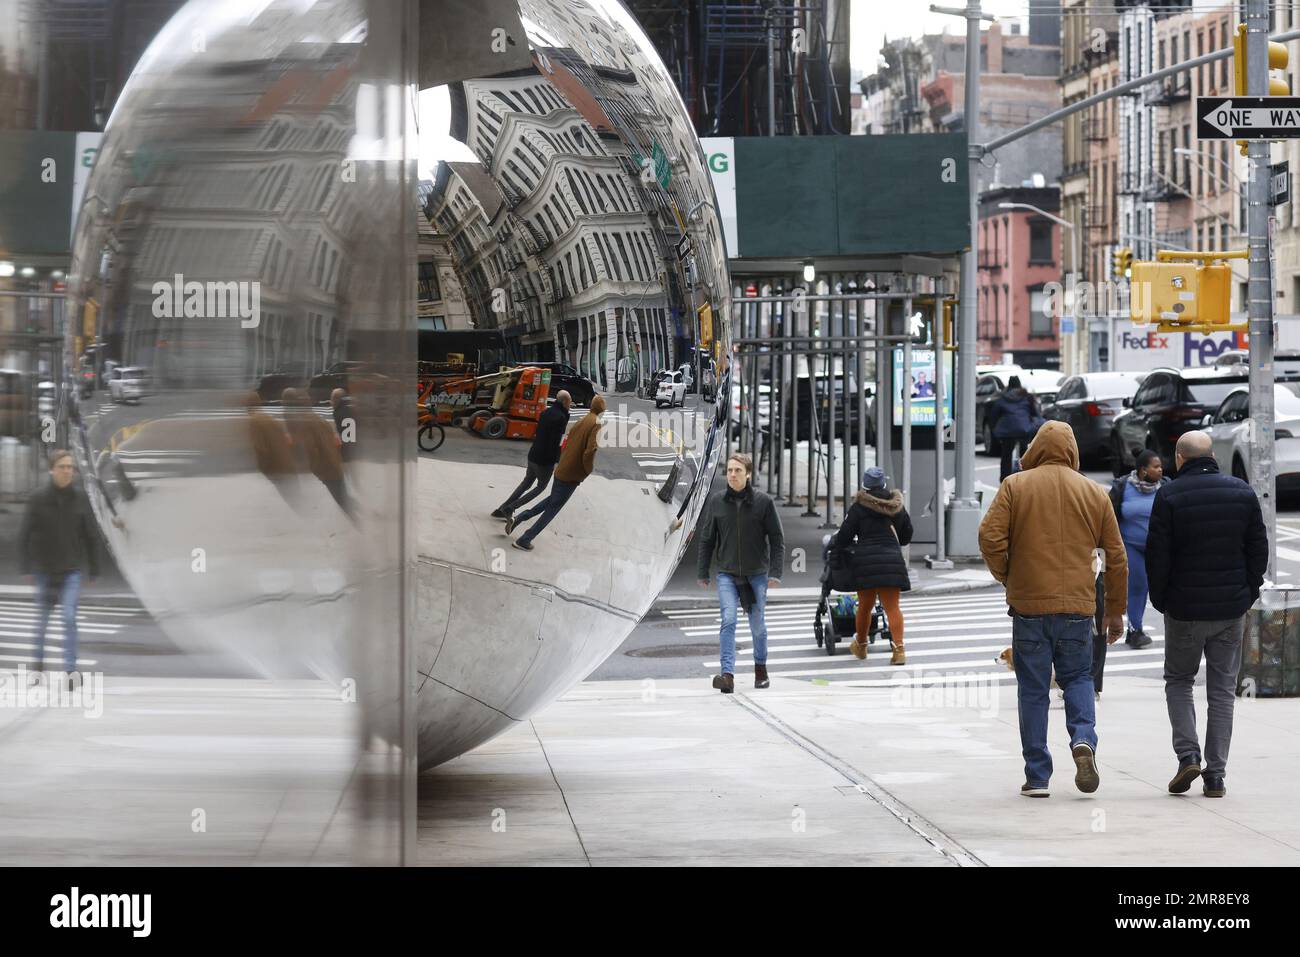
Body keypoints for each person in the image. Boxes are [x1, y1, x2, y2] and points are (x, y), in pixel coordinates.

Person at [978, 421, 1128, 798]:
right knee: (1078, 678)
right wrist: (1114, 610)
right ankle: (1083, 740)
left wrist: (1008, 576)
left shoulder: (1015, 486)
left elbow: (989, 537)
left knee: (1032, 689)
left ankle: (1038, 776)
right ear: (1072, 451)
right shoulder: (1094, 492)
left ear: (1036, 448)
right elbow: (1116, 557)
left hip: (1028, 605)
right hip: (1078, 606)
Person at [1145, 430, 1267, 799]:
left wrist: (1162, 599)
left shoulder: (1169, 496)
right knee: (1222, 692)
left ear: (1179, 459)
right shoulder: (1242, 493)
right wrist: (1248, 592)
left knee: (1180, 681)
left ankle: (1187, 756)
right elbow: (1257, 551)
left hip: (1184, 609)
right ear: (1212, 455)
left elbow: (1158, 556)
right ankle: (1216, 775)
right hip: (1231, 609)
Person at [697, 453, 784, 693]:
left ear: (748, 474)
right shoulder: (716, 502)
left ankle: (761, 669)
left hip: (756, 575)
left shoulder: (764, 503)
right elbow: (707, 539)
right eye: (729, 471)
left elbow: (777, 539)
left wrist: (775, 573)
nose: (732, 475)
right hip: (726, 573)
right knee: (729, 620)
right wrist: (702, 571)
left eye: (737, 471)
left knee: (757, 625)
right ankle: (727, 675)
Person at [18, 449, 100, 682]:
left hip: (71, 572)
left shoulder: (80, 498)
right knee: (42, 622)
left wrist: (94, 569)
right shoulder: (37, 498)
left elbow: (90, 535)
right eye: (63, 467)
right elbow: (24, 534)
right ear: (52, 470)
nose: (68, 471)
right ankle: (37, 668)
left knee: (69, 617)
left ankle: (70, 671)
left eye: (70, 467)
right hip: (44, 572)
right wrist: (25, 567)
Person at [832, 467, 913, 665]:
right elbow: (907, 535)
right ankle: (899, 650)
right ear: (884, 485)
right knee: (893, 608)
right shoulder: (896, 506)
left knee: (865, 608)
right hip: (891, 561)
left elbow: (843, 537)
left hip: (865, 563)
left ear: (864, 487)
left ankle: (861, 646)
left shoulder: (858, 508)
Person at [507, 394, 605, 550]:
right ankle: (524, 539)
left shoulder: (582, 420)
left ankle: (520, 517)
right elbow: (590, 451)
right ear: (602, 409)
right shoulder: (596, 424)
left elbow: (565, 443)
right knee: (552, 510)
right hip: (572, 474)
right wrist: (587, 471)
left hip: (562, 469)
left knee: (551, 500)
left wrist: (563, 461)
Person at [1109, 449, 1168, 649]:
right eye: (1156, 466)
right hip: (1130, 545)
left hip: (1158, 547)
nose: (1161, 470)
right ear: (1143, 470)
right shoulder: (1122, 486)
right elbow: (1109, 515)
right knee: (1138, 585)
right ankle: (1135, 630)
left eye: (1160, 466)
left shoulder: (1166, 486)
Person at [492, 390, 571, 519]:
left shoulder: (546, 413)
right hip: (544, 461)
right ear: (564, 402)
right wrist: (556, 460)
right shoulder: (561, 418)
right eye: (569, 402)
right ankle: (511, 507)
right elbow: (555, 442)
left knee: (526, 483)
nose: (570, 404)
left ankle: (502, 508)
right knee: (540, 487)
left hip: (533, 454)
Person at [989, 375, 1043, 483]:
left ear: (1009, 385)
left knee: (1006, 455)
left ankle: (1004, 479)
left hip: (1007, 431)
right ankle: (1026, 477)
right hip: (1024, 429)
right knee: (1025, 454)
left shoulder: (1003, 397)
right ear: (1019, 384)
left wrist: (995, 429)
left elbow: (994, 415)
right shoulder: (1027, 396)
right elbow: (1036, 414)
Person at [330, 388, 356, 462]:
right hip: (354, 449)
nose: (331, 402)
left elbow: (341, 434)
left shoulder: (338, 412)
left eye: (332, 399)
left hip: (346, 451)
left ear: (336, 399)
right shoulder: (350, 409)